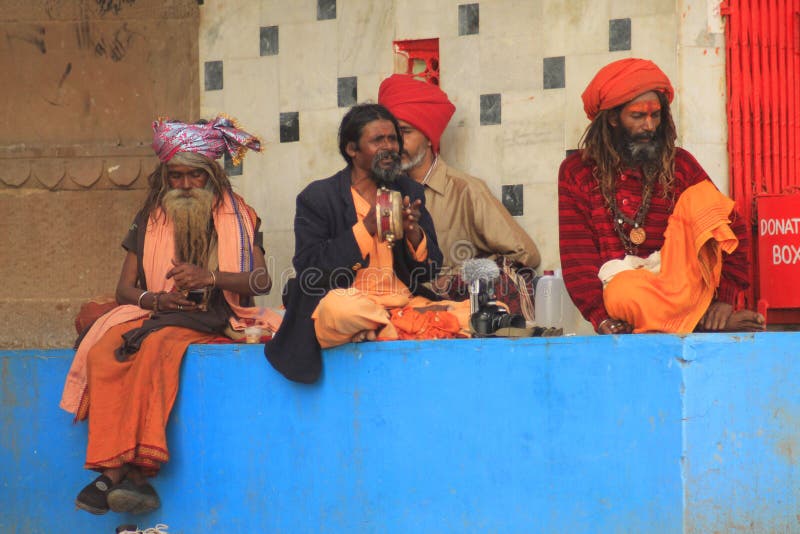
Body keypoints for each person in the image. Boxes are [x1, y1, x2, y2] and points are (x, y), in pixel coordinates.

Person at [61, 116, 281, 515]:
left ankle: (119, 473)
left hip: (215, 314)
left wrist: (210, 277)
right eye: (175, 176)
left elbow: (262, 280)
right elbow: (123, 290)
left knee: (156, 348)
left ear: (211, 174)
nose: (182, 185)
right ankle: (129, 477)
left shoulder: (240, 216)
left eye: (192, 176)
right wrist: (157, 301)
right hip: (157, 311)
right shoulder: (150, 217)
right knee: (102, 352)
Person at [558, 58, 765, 335]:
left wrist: (724, 300)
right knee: (622, 291)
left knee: (700, 201)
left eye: (655, 116)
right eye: (638, 116)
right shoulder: (577, 172)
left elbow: (733, 228)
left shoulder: (681, 165)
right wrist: (601, 317)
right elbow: (577, 258)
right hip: (627, 300)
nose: (649, 126)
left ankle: (695, 318)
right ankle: (696, 324)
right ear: (611, 118)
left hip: (682, 290)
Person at [265, 103, 469, 384]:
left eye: (393, 139)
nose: (390, 148)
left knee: (479, 312)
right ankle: (405, 326)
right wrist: (366, 227)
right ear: (352, 150)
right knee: (341, 309)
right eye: (378, 140)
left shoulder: (407, 189)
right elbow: (310, 267)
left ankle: (388, 326)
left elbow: (431, 269)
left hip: (401, 304)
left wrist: (413, 234)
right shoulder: (318, 197)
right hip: (349, 304)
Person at [378, 74, 541, 319]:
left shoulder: (465, 190)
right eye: (388, 136)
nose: (395, 145)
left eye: (404, 132)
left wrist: (458, 277)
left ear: (428, 136)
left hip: (456, 318)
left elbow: (526, 254)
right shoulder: (378, 194)